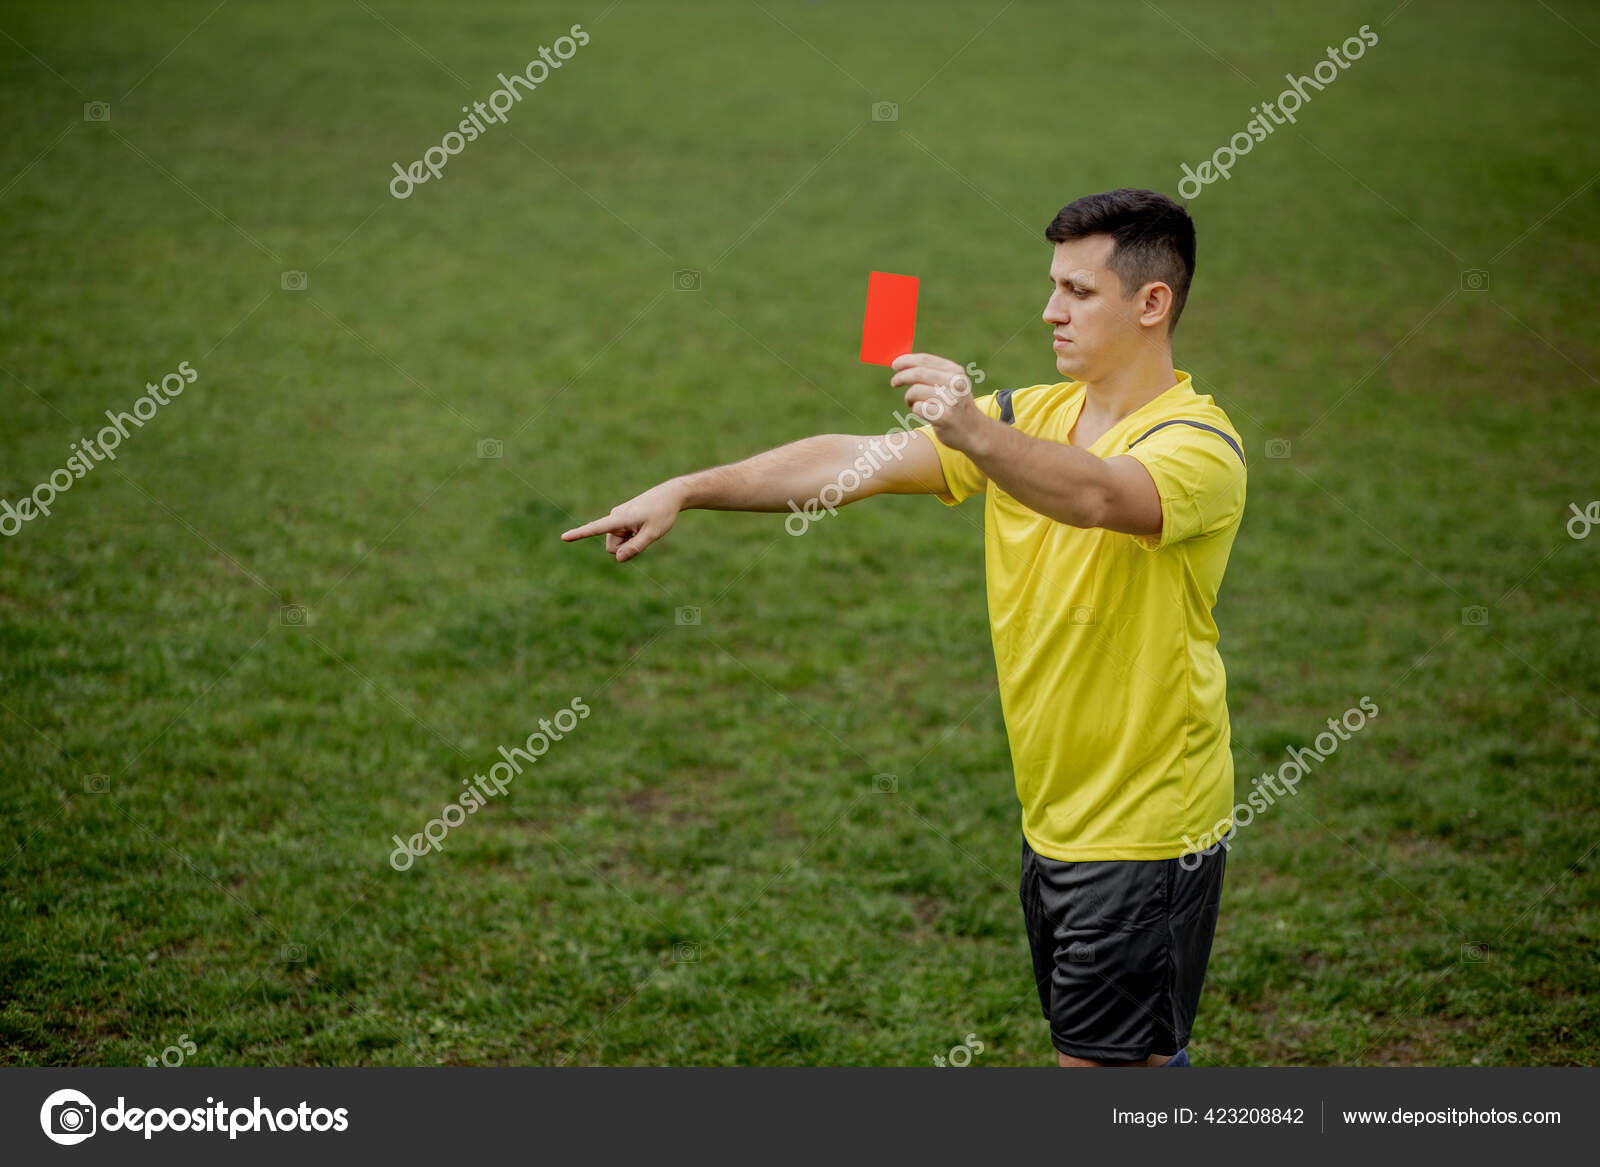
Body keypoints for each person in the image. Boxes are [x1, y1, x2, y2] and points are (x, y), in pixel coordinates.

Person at [561, 188, 1246, 1068]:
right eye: (1051, 285)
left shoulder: (1199, 445)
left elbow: (1096, 495)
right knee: (1135, 1063)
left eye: (1078, 291)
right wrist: (687, 487)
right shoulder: (1030, 416)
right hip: (1061, 813)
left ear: (1152, 304)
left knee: (1103, 1072)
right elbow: (852, 459)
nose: (1049, 311)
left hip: (1147, 826)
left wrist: (967, 426)